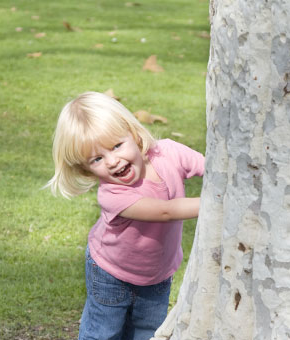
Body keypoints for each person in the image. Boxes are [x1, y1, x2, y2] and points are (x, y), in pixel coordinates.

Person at [46, 91, 204, 339]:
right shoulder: (112, 195)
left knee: (148, 330)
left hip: (157, 273)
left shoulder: (169, 153)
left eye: (117, 146)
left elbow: (212, 166)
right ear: (86, 169)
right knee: (103, 331)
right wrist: (217, 202)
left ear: (134, 133)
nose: (112, 161)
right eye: (97, 159)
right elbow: (165, 211)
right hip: (110, 273)